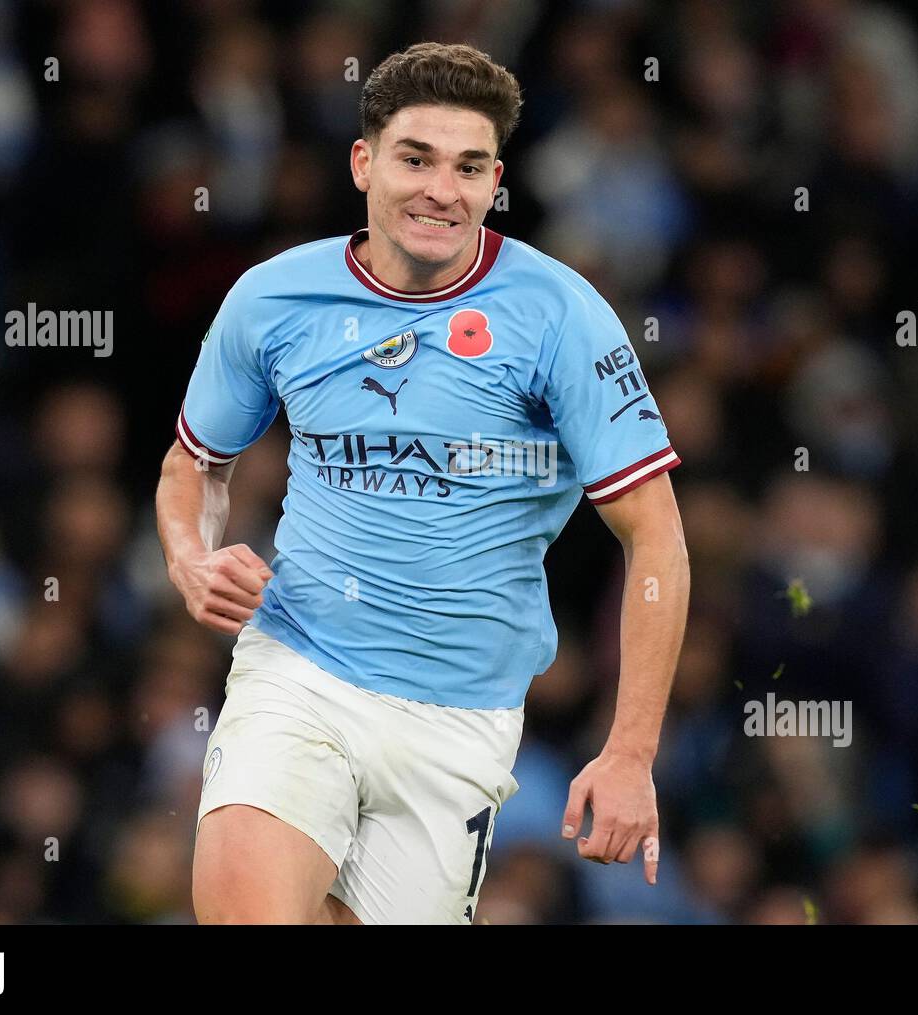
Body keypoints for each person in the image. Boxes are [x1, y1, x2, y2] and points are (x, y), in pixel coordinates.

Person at [155, 41, 689, 925]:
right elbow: (195, 465)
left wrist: (631, 751)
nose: (443, 188)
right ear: (364, 162)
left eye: (469, 166)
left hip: (460, 719)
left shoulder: (561, 316)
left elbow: (656, 535)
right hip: (301, 672)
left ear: (494, 181)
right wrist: (189, 557)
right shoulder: (274, 299)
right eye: (416, 158)